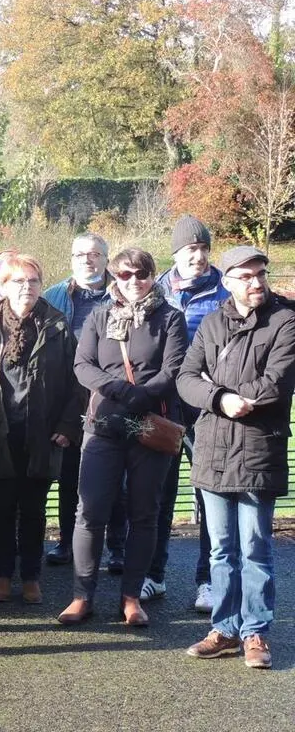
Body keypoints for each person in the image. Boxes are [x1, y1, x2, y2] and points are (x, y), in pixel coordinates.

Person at [178, 246, 295, 670]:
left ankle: (256, 633)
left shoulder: (286, 321)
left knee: (255, 548)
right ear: (226, 281)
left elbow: (275, 384)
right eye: (244, 276)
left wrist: (221, 388)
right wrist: (219, 396)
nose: (256, 282)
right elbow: (186, 379)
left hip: (258, 448)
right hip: (212, 449)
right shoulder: (211, 323)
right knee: (221, 551)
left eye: (260, 274)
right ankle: (225, 629)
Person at [59, 248, 187, 627]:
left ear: (152, 275)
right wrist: (118, 389)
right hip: (104, 425)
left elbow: (174, 368)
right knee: (90, 511)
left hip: (149, 423)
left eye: (142, 274)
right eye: (126, 275)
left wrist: (143, 395)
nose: (134, 281)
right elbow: (83, 365)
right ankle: (82, 595)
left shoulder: (170, 318)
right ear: (115, 277)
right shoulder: (100, 317)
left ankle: (132, 597)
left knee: (144, 513)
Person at [0, 254, 81, 605]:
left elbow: (78, 382)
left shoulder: (57, 325)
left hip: (41, 433)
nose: (26, 288)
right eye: (18, 281)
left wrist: (65, 425)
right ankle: (2, 575)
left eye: (32, 281)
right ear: (3, 286)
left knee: (33, 510)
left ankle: (30, 576)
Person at [143, 215, 231, 612]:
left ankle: (208, 581)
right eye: (189, 249)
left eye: (202, 248)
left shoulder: (226, 289)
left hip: (208, 406)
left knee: (210, 494)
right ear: (175, 253)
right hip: (164, 406)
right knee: (159, 493)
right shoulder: (155, 290)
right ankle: (153, 575)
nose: (197, 256)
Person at [43, 233, 126, 570]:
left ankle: (118, 546)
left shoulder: (122, 294)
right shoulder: (54, 296)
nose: (88, 260)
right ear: (71, 259)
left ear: (107, 259)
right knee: (69, 477)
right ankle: (66, 541)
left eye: (95, 254)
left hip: (112, 397)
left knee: (116, 477)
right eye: (80, 255)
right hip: (67, 400)